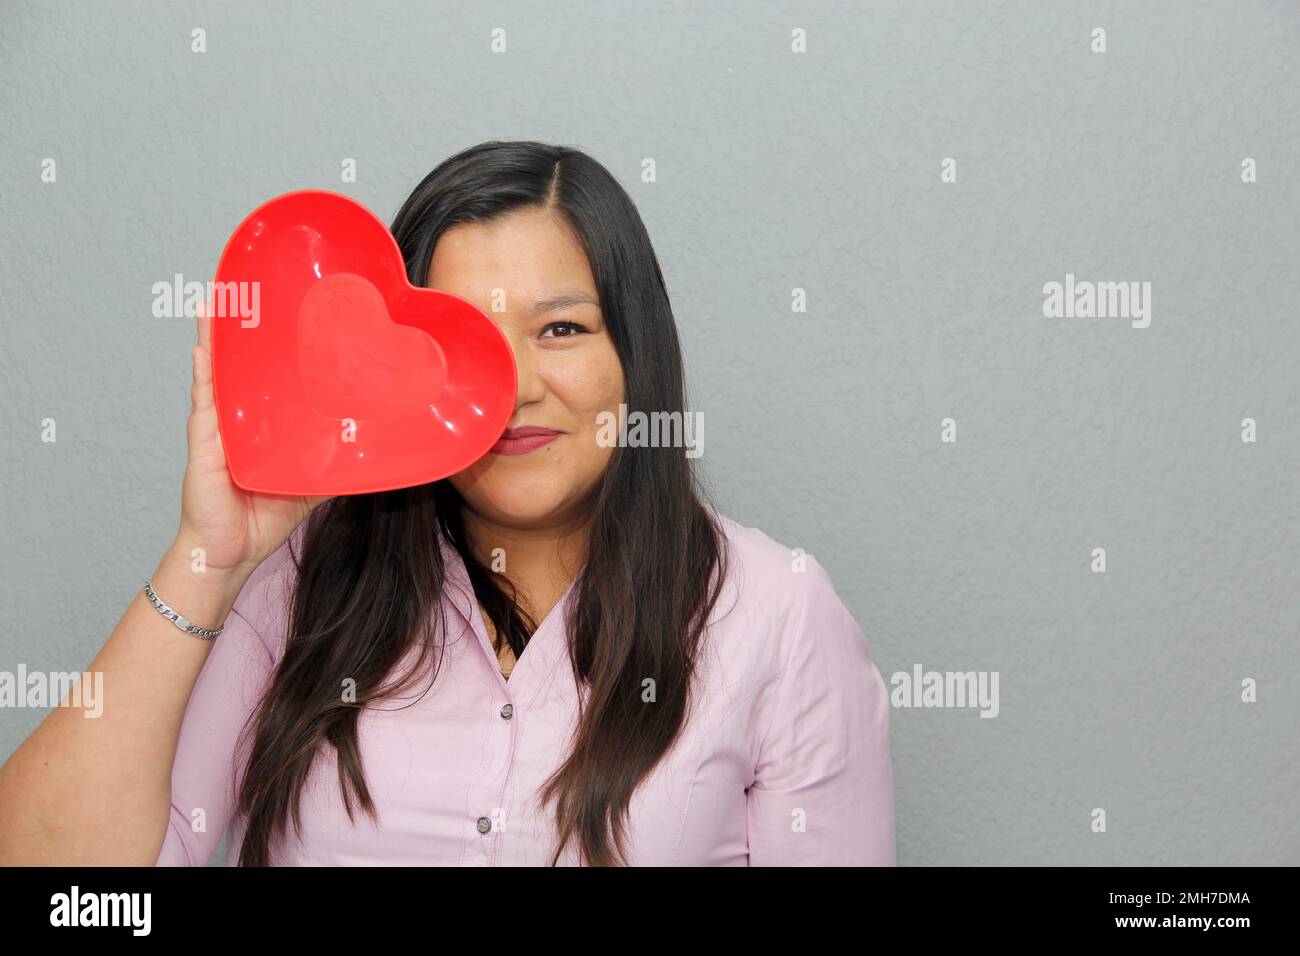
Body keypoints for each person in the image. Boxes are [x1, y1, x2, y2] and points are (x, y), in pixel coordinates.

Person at [0, 140, 895, 866]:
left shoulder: (777, 611)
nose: (511, 389)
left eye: (561, 330)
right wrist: (210, 557)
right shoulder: (299, 583)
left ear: (637, 357)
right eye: (461, 336)